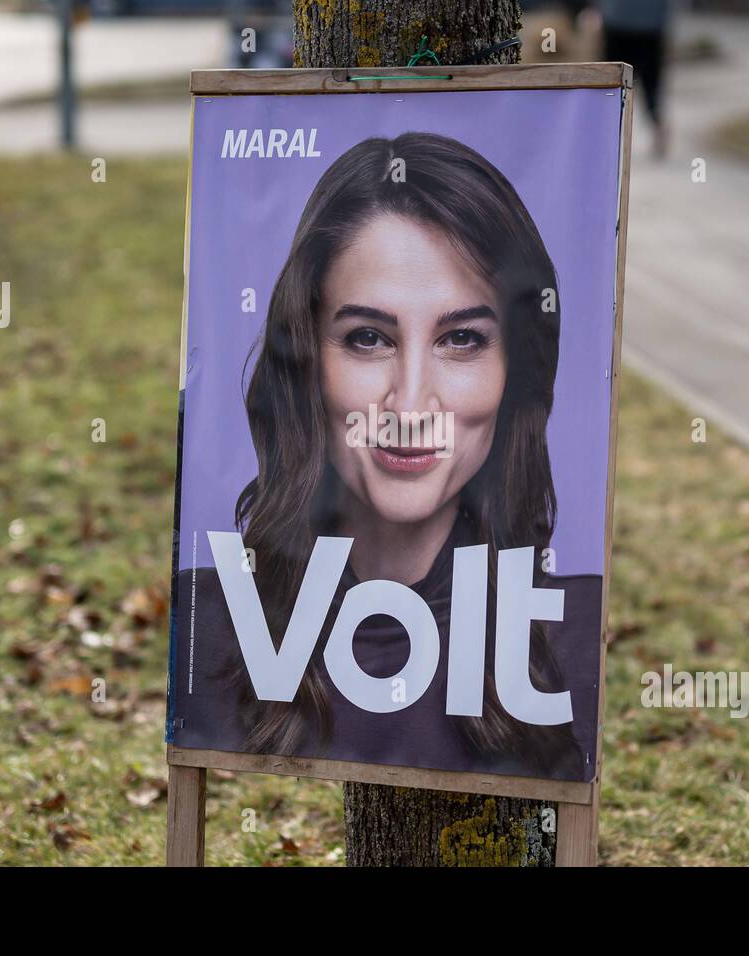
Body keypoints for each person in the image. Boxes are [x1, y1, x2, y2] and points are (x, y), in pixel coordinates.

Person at [172, 133, 602, 781]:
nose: (408, 404)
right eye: (368, 338)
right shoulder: (205, 630)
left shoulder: (574, 640)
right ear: (307, 359)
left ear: (517, 370)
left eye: (461, 339)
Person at [588, 0, 672, 157]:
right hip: (641, 21)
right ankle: (611, 136)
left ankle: (609, 137)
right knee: (640, 82)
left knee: (615, 83)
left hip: (629, 20)